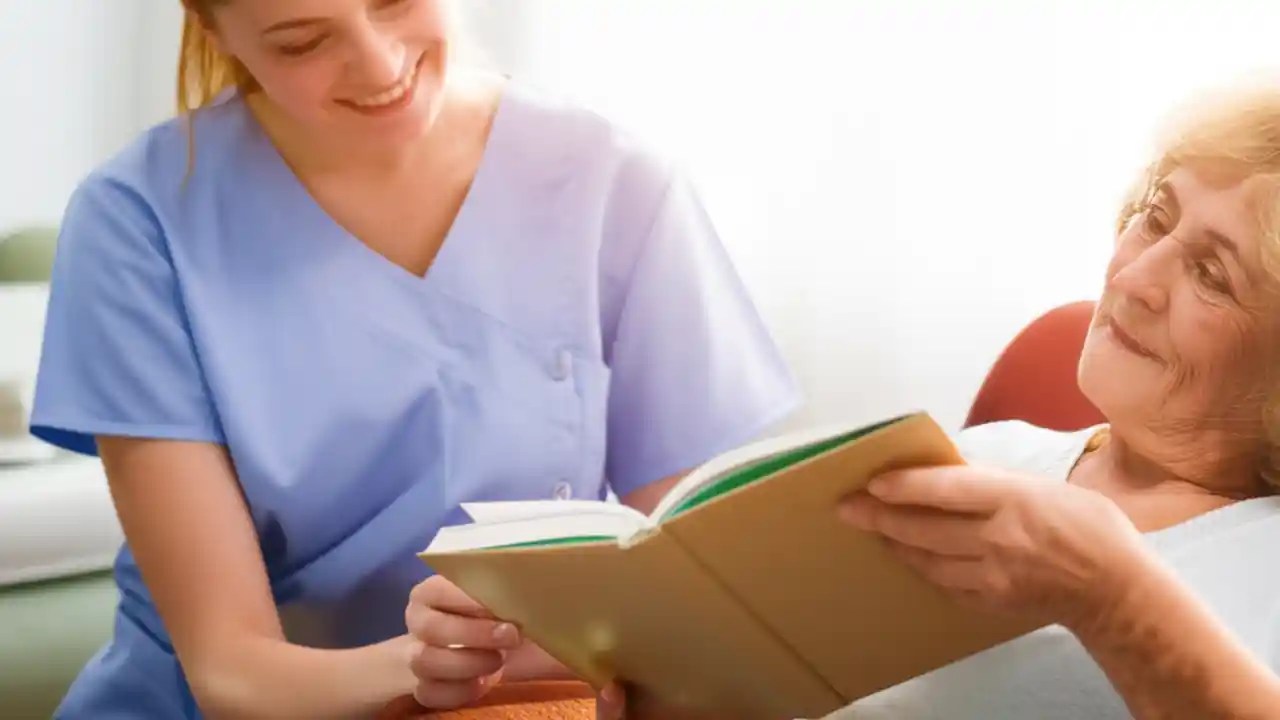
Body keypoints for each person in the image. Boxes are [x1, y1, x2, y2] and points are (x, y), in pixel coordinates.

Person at [29, 1, 799, 717]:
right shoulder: (137, 222)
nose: (380, 63)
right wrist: (423, 665)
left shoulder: (612, 181)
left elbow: (681, 595)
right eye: (303, 41)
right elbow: (230, 672)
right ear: (213, 28)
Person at [832, 84, 1280, 719]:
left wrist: (1114, 601)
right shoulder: (980, 454)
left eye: (1212, 274)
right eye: (1156, 217)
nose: (1133, 278)